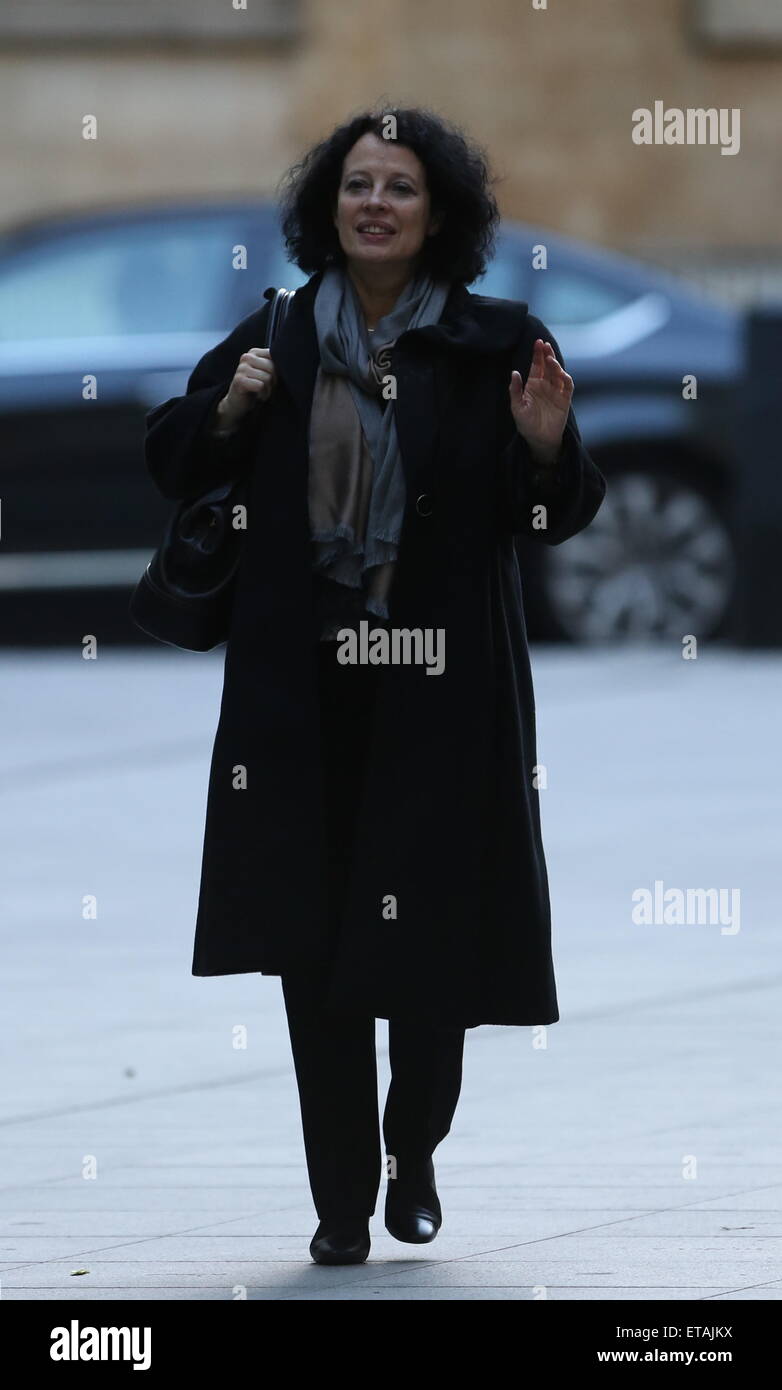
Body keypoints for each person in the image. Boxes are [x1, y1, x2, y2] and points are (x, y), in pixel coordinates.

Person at [144, 105, 606, 1266]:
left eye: (399, 188)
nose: (375, 204)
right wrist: (234, 405)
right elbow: (172, 461)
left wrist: (549, 447)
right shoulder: (282, 332)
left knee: (433, 944)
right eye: (356, 185)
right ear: (324, 208)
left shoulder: (497, 341)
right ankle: (342, 1197)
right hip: (303, 697)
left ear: (436, 214)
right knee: (314, 949)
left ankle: (413, 1146)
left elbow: (545, 520)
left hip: (439, 694)